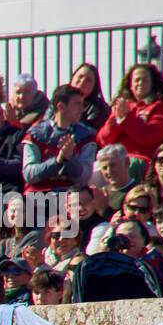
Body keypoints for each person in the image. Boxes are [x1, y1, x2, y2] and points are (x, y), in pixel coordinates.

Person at [21, 84, 97, 222]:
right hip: (38, 199)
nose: (82, 109)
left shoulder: (86, 136)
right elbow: (29, 174)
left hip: (70, 199)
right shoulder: (36, 134)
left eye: (83, 104)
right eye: (77, 104)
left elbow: (83, 177)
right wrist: (58, 161)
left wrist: (69, 159)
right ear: (61, 106)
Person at [97, 63, 163, 166]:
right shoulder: (125, 105)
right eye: (137, 80)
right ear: (130, 85)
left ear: (152, 83)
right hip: (115, 159)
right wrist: (117, 118)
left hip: (143, 161)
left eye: (145, 80)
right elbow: (102, 139)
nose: (140, 83)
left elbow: (150, 138)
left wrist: (126, 119)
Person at [70, 62, 111, 132]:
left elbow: (92, 133)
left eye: (88, 80)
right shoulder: (59, 98)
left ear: (94, 87)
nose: (82, 81)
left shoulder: (99, 107)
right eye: (80, 76)